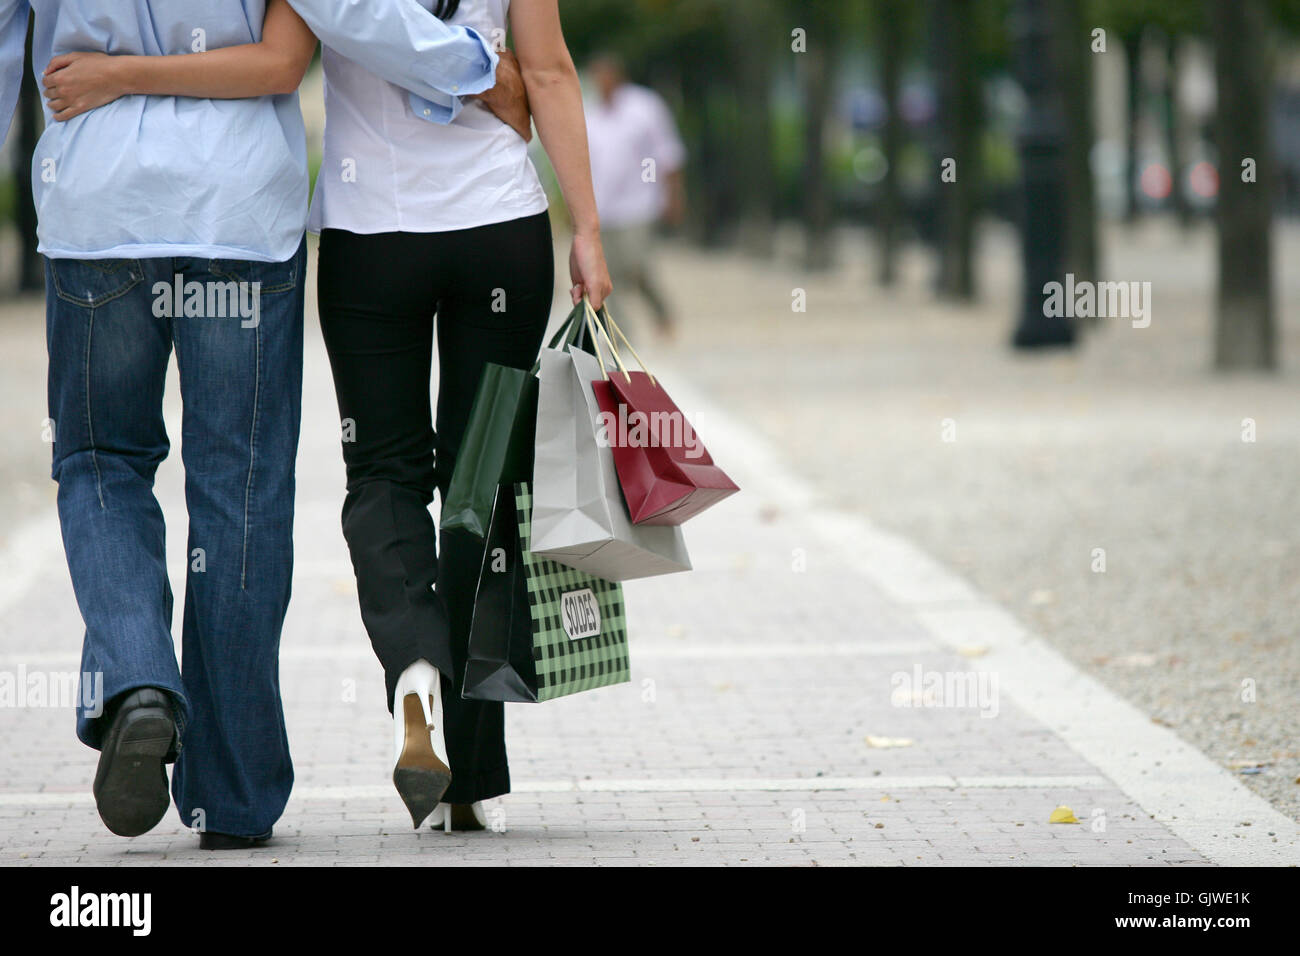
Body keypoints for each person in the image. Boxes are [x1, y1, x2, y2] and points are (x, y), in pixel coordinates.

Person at [41, 0, 613, 833]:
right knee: (481, 485)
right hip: (498, 228)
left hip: (368, 239)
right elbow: (552, 72)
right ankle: (466, 772)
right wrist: (588, 226)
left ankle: (412, 665)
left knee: (383, 475)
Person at [584, 53, 685, 338]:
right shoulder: (590, 114)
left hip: (640, 204)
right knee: (606, 275)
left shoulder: (645, 107)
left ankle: (661, 311)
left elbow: (669, 153)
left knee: (636, 264)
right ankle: (619, 332)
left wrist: (674, 195)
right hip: (603, 208)